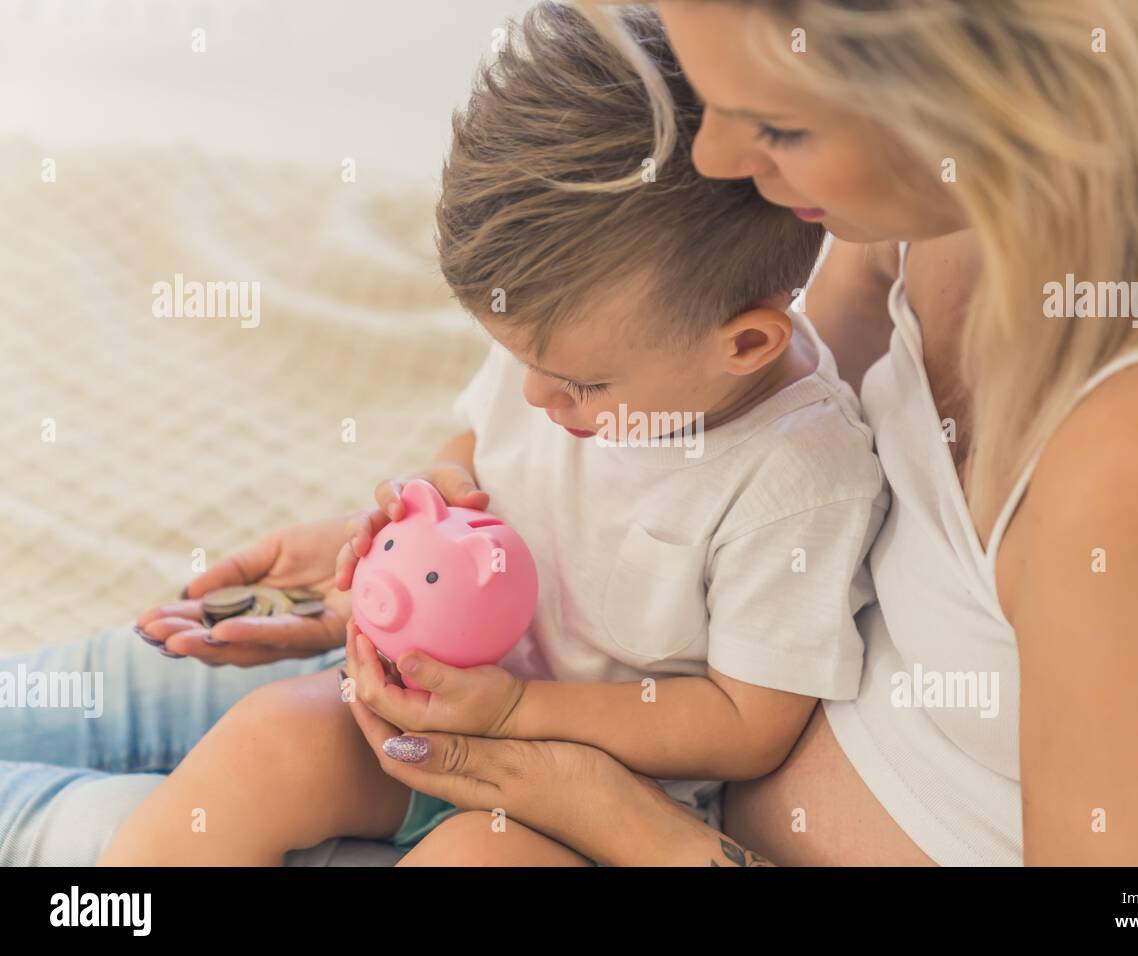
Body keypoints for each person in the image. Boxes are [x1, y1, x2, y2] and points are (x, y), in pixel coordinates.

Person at [5, 0, 1138, 867]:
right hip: (576, 728)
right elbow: (716, 418)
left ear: (962, 88)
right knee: (164, 691)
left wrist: (612, 810)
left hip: (644, 826)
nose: (723, 161)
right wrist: (425, 553)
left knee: (117, 824)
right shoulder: (957, 192)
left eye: (781, 127)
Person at [95, 2, 885, 866]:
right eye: (517, 358)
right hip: (438, 723)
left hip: (601, 802)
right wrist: (429, 498)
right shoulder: (570, 352)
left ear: (744, 345)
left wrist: (516, 714)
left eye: (581, 384)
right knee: (270, 738)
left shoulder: (797, 476)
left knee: (473, 857)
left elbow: (748, 726)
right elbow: (476, 450)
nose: (537, 396)